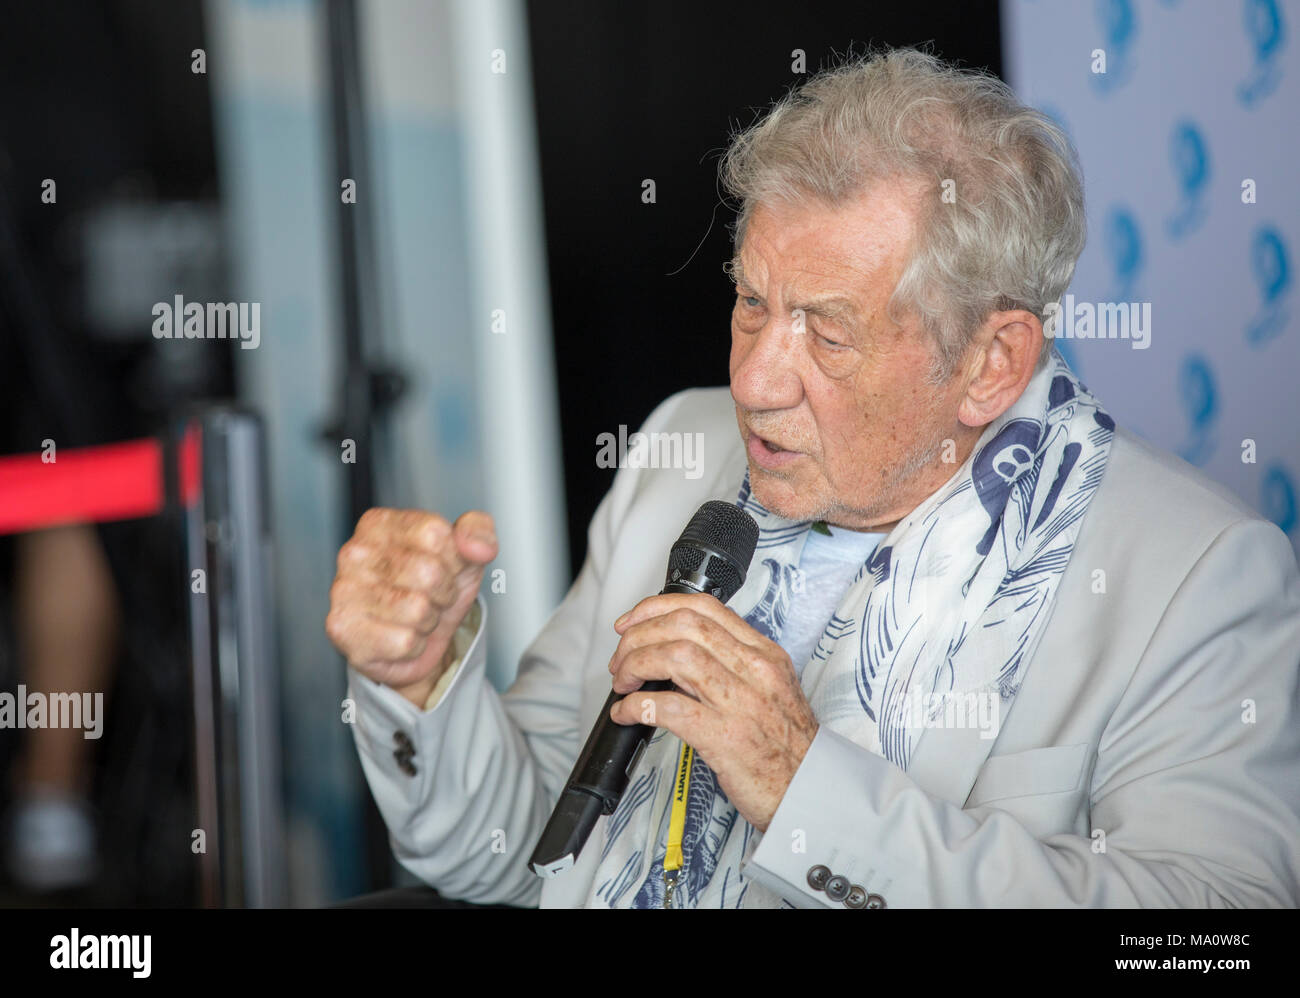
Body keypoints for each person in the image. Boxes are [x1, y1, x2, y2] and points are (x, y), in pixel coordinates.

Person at [325, 48, 1300, 908]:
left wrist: (805, 787)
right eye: (751, 301)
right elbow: (521, 852)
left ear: (991, 361)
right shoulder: (678, 444)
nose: (750, 379)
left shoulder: (1194, 574)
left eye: (827, 332)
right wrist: (423, 681)